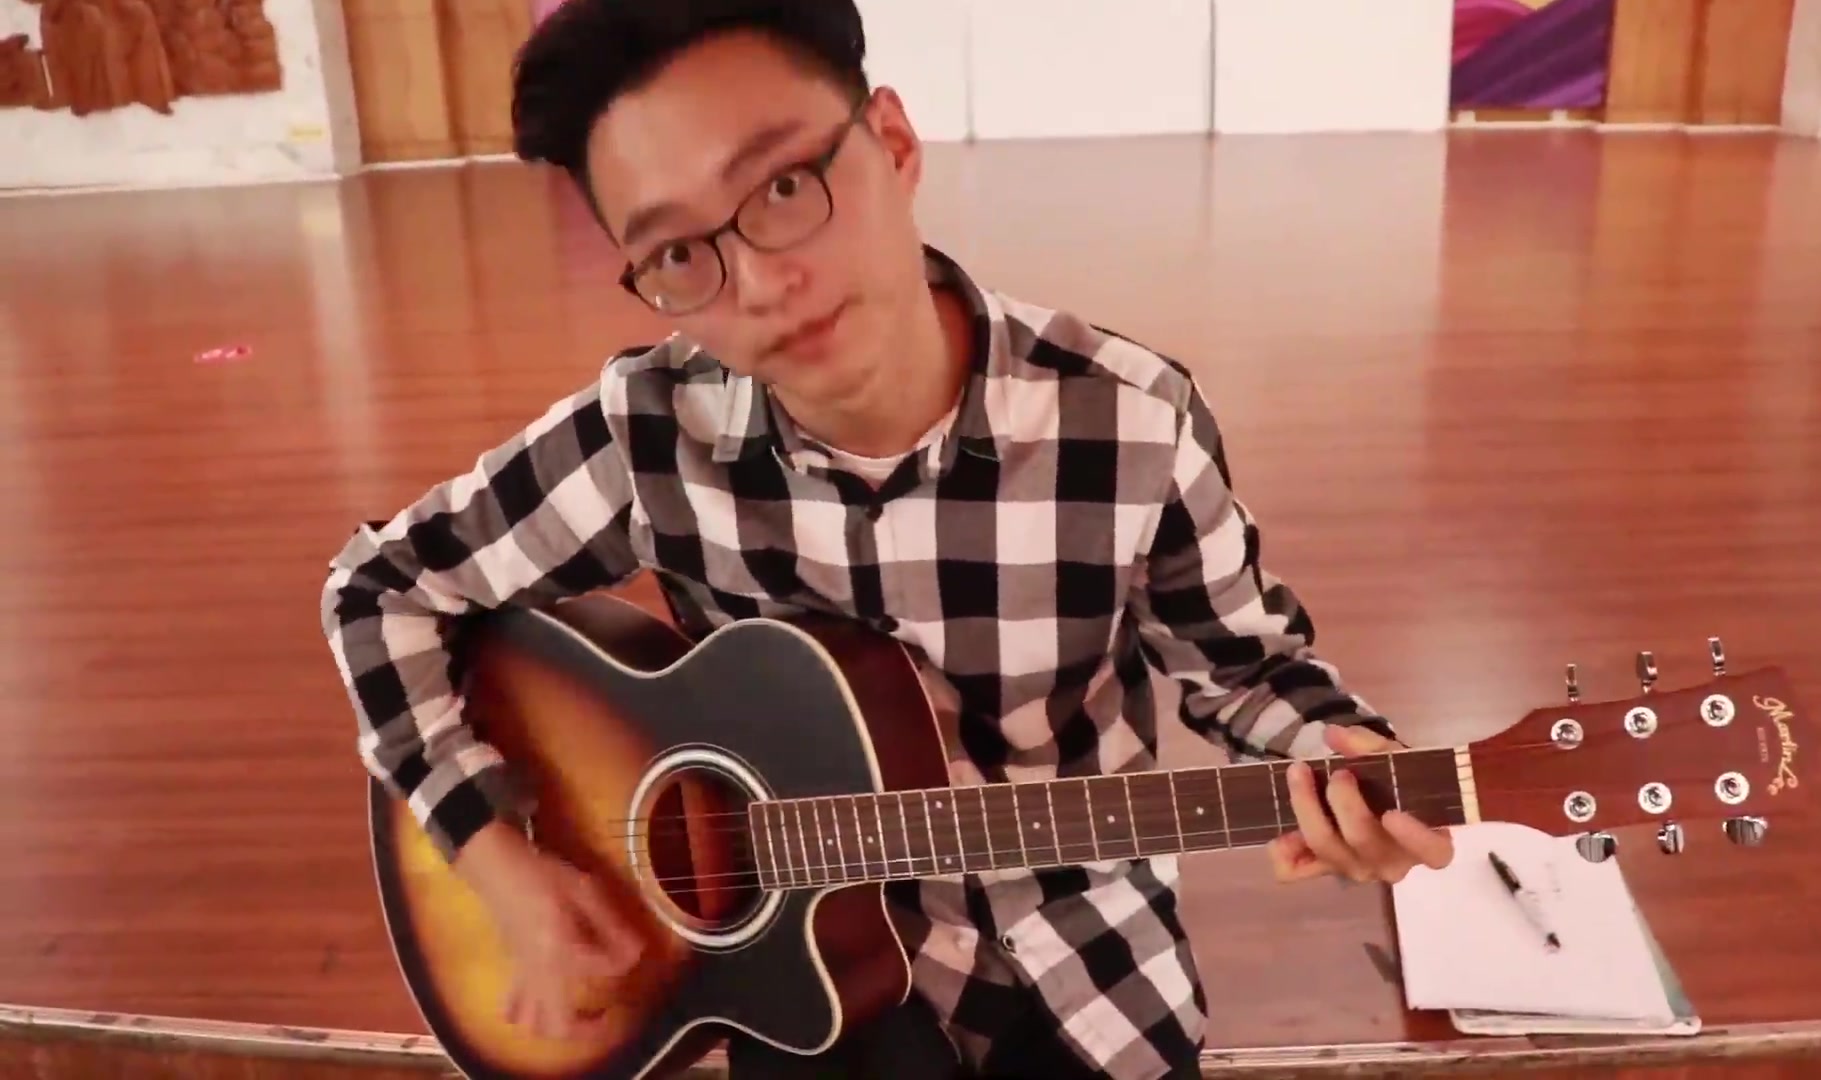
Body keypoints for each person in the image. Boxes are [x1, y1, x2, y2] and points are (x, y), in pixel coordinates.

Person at [317, 1, 1454, 1077]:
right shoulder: (644, 437)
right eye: (678, 255)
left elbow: (1244, 672)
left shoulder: (1129, 421)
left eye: (785, 186)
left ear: (895, 143)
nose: (763, 283)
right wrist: (492, 856)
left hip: (1092, 973)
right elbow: (377, 592)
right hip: (796, 975)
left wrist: (1341, 762)